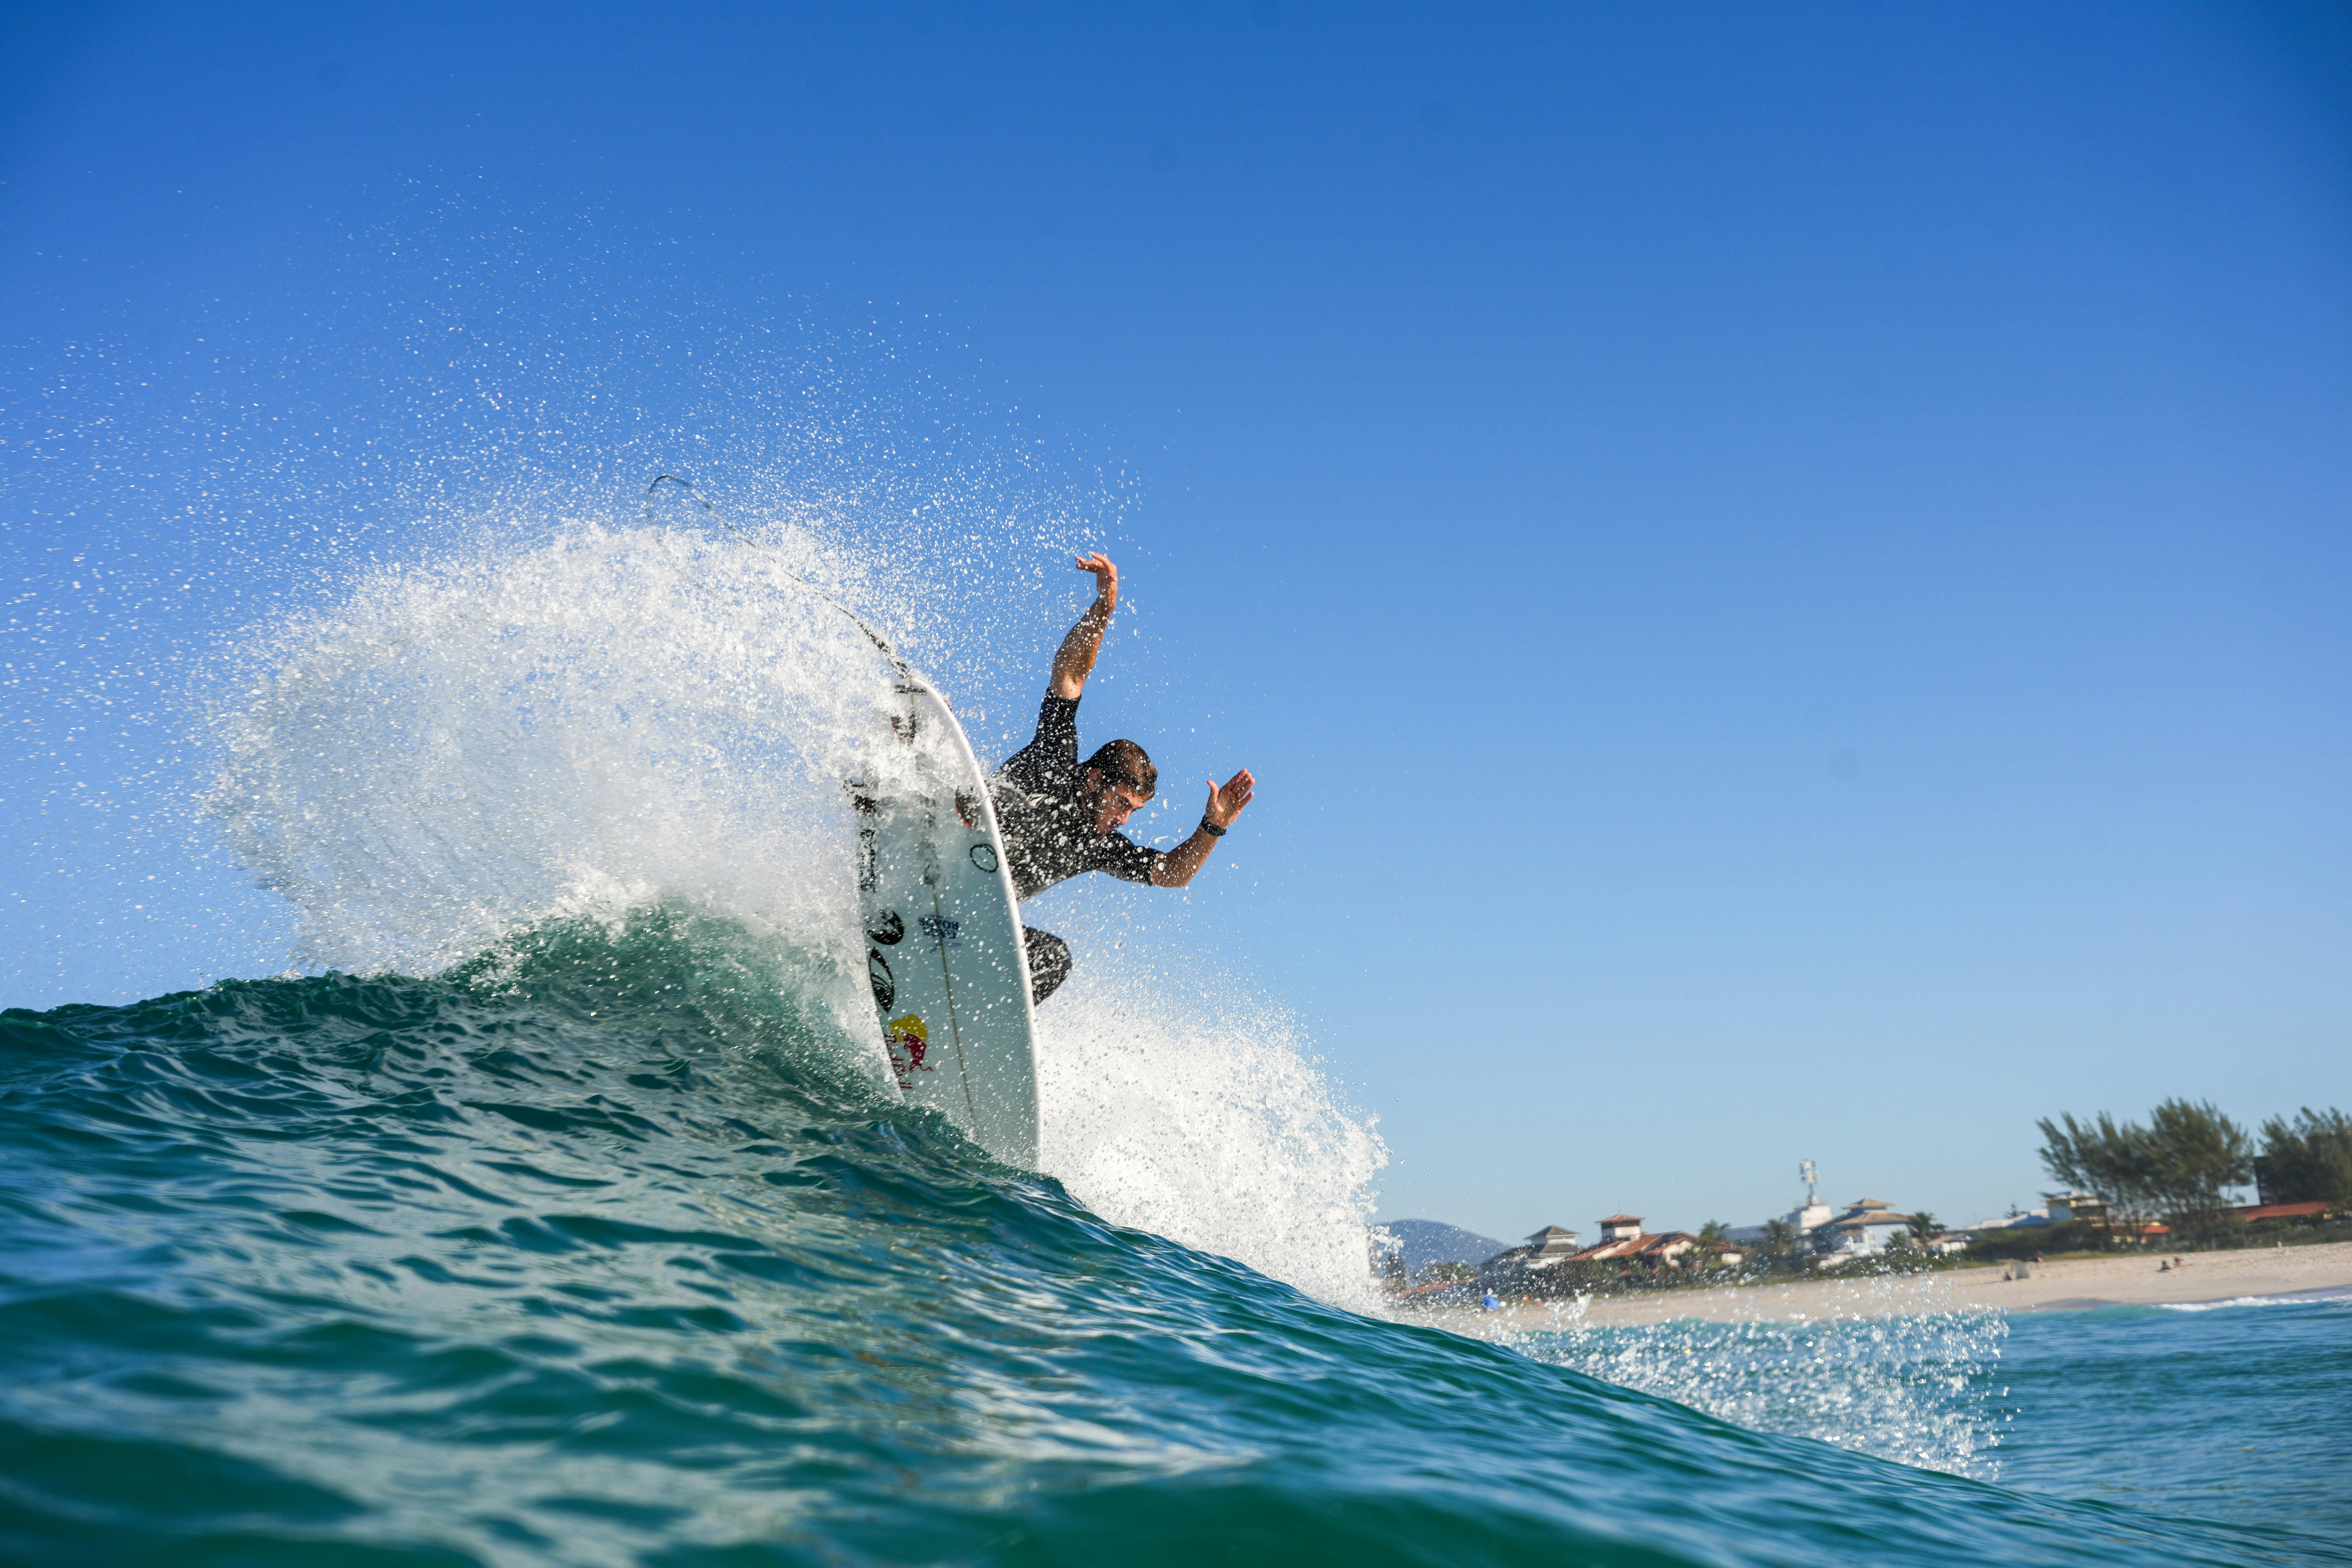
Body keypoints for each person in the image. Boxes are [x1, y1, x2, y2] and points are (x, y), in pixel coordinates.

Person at [989, 551, 1254, 1004]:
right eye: (1122, 804)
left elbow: (1171, 873)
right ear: (1094, 781)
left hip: (980, 923)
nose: (1124, 820)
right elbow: (1071, 673)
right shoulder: (1055, 757)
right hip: (946, 850)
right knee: (1009, 803)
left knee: (1053, 959)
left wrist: (1213, 828)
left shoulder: (1096, 845)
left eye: (1134, 812)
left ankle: (982, 1025)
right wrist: (1103, 611)